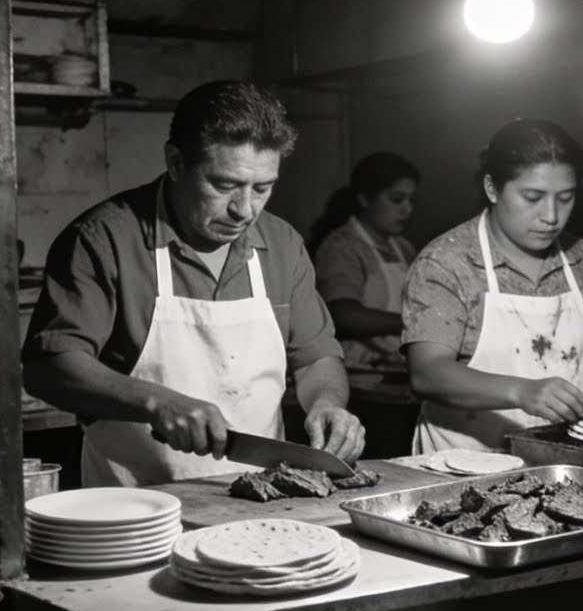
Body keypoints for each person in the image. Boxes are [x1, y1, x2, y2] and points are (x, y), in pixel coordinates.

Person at [22, 80, 365, 487]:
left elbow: (315, 358)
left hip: (263, 497)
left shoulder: (282, 244)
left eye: (262, 188)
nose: (244, 210)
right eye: (223, 185)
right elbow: (49, 368)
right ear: (176, 162)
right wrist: (156, 402)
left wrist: (327, 403)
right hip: (135, 505)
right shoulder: (104, 240)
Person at [401, 118, 583, 454]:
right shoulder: (447, 262)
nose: (551, 216)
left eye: (565, 198)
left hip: (564, 462)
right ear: (492, 188)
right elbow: (427, 373)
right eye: (532, 197)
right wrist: (521, 391)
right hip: (461, 466)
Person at [311, 152, 420, 372]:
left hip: (396, 365)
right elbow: (344, 315)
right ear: (365, 199)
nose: (407, 209)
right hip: (357, 369)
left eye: (411, 200)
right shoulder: (342, 247)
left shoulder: (404, 248)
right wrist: (413, 321)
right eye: (396, 199)